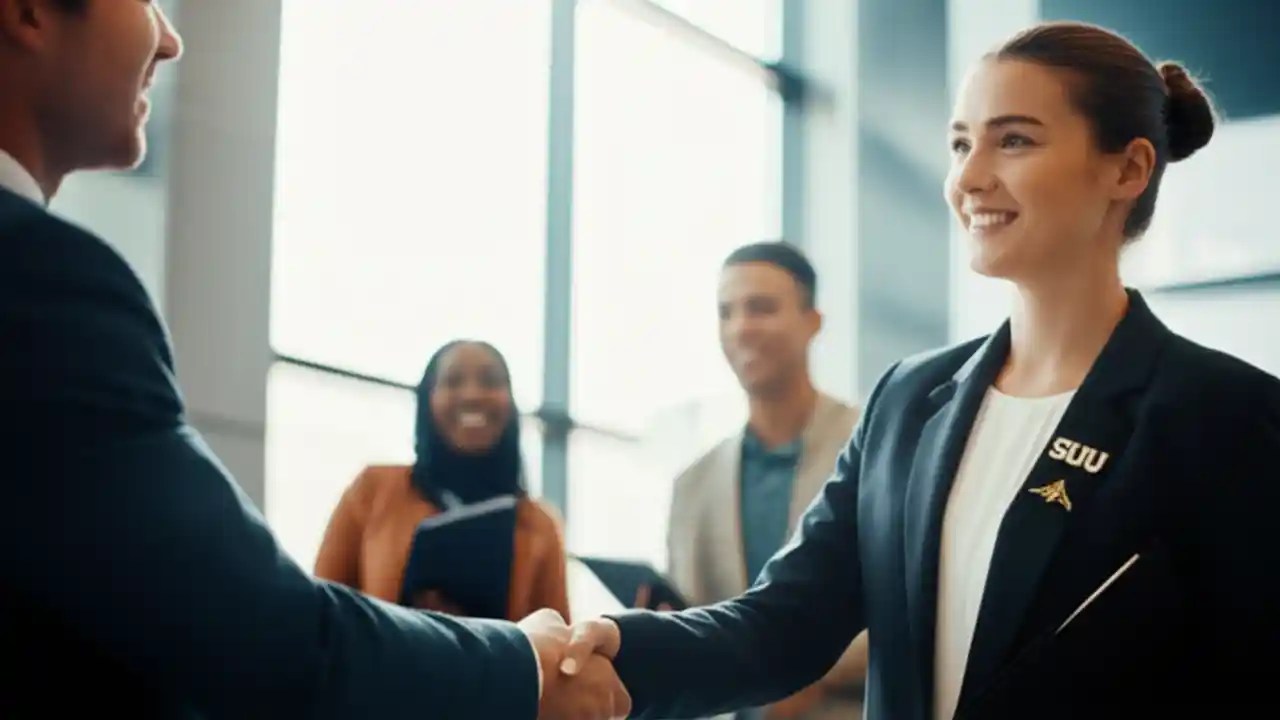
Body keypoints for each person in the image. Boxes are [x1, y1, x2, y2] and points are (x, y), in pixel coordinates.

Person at [557, 20, 1280, 719]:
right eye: (961, 143)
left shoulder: (1225, 417)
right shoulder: (909, 400)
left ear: (1127, 168)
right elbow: (785, 624)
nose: (969, 177)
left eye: (1014, 140)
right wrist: (619, 650)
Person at [0, 1, 626, 717]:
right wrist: (521, 666)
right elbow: (271, 636)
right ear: (28, 11)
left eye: (492, 381)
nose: (170, 39)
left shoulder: (537, 523)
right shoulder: (40, 275)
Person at [665, 241, 867, 720]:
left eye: (761, 308)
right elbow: (691, 615)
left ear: (813, 321)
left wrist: (815, 675)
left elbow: (906, 598)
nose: (741, 328)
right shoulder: (693, 483)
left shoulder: (875, 444)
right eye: (726, 312)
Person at [315, 339, 571, 622]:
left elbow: (559, 639)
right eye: (453, 381)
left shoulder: (539, 525)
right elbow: (321, 612)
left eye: (490, 381)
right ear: (428, 398)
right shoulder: (373, 489)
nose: (472, 395)